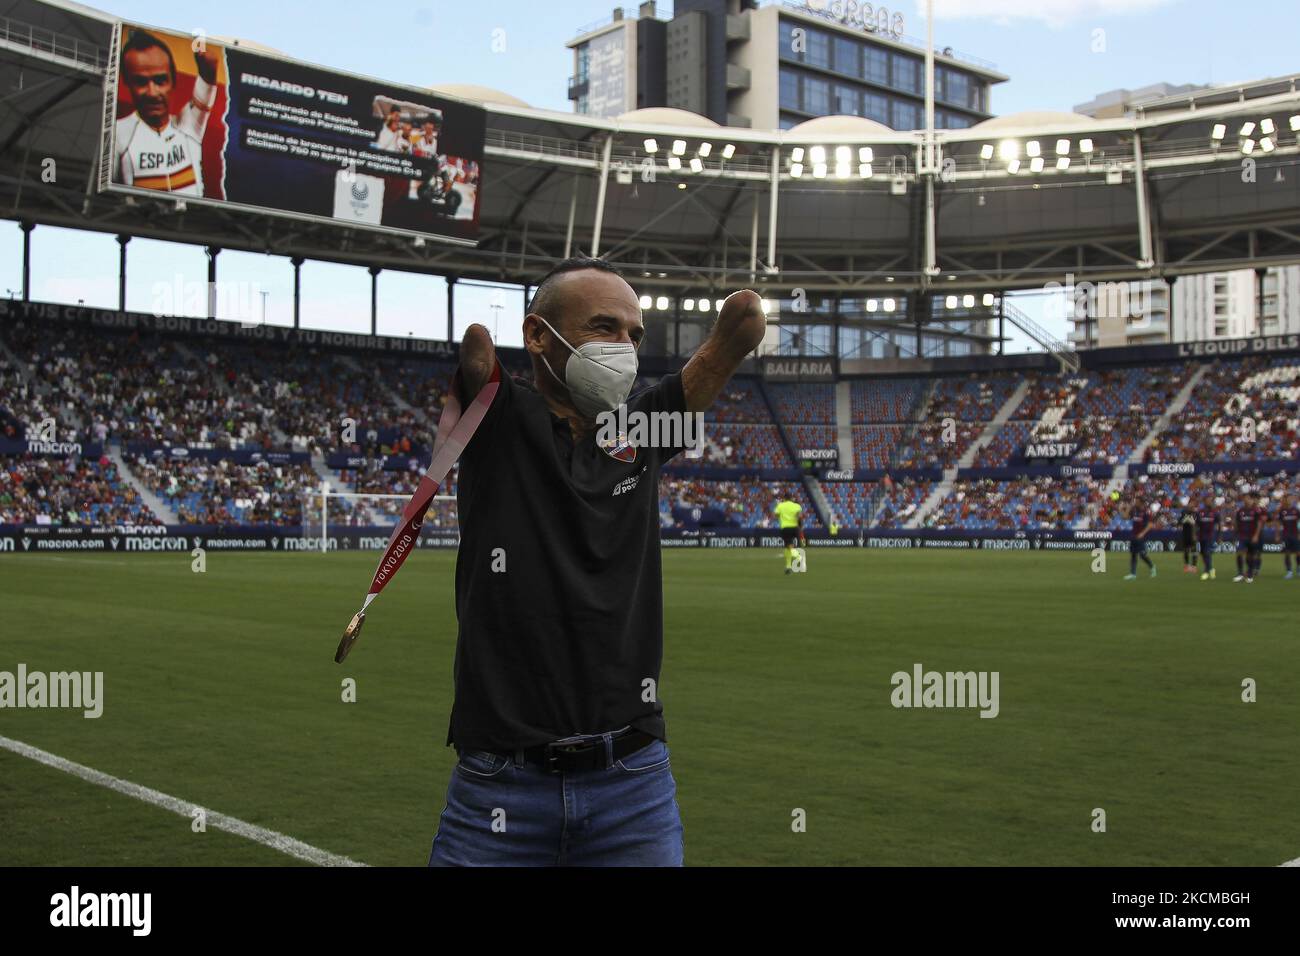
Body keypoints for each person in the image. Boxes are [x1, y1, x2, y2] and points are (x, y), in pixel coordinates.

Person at [427, 257, 765, 866]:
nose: (625, 348)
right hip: (501, 783)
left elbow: (732, 336)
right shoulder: (501, 422)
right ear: (538, 335)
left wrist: (735, 328)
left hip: (631, 780)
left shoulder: (639, 430)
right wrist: (477, 367)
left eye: (635, 335)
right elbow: (480, 363)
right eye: (604, 327)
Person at [114, 30, 219, 195]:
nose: (152, 92)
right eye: (141, 82)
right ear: (127, 82)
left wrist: (198, 40)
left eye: (160, 80)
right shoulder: (118, 133)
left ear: (173, 80)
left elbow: (209, 65)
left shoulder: (189, 123)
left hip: (193, 215)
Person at [1233, 490, 1267, 583]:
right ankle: (1240, 573)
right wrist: (1236, 533)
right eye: (1245, 498)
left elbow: (1260, 522)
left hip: (1252, 536)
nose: (1246, 500)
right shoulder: (1240, 510)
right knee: (1239, 552)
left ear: (1252, 500)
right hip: (1242, 536)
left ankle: (1250, 573)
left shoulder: (1257, 510)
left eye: (1249, 498)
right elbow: (1236, 522)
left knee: (1251, 555)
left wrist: (1256, 535)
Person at [1123, 497, 1156, 581]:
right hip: (1133, 535)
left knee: (1142, 555)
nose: (1135, 503)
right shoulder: (1134, 511)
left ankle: (1152, 567)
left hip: (1141, 536)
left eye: (1137, 502)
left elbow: (1150, 525)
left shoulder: (1146, 512)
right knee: (1133, 555)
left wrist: (1142, 533)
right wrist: (1128, 508)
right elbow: (1125, 517)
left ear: (1141, 503)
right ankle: (1133, 574)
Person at [774, 497, 804, 575]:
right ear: (791, 498)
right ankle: (788, 567)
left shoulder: (780, 505)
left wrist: (781, 517)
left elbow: (776, 515)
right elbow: (800, 516)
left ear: (784, 498)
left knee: (789, 546)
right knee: (788, 547)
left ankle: (798, 557)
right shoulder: (796, 506)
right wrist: (800, 526)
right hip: (795, 528)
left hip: (785, 528)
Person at [1197, 499, 1220, 581]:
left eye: (1210, 501)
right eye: (1207, 501)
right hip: (1201, 535)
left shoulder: (1215, 513)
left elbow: (1219, 524)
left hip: (1210, 535)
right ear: (1205, 502)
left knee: (1207, 552)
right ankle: (1209, 568)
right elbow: (1196, 524)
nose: (1208, 502)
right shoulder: (1200, 512)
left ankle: (1208, 570)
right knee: (1203, 553)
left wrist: (1219, 536)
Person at [1277, 493, 1300, 579]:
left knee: (1298, 553)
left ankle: (1298, 569)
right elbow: (1279, 523)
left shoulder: (1296, 510)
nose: (1289, 500)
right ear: (1285, 500)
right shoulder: (1282, 511)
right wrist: (1277, 535)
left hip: (1295, 534)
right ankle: (1289, 571)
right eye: (1287, 499)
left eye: (1290, 498)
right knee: (1287, 553)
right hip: (1286, 535)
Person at [1177, 496, 1198, 573]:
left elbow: (1197, 523)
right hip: (1186, 534)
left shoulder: (1196, 513)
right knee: (1186, 550)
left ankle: (1194, 566)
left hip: (1193, 534)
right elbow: (1179, 522)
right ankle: (1186, 566)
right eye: (1190, 503)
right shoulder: (1184, 512)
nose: (1192, 504)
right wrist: (1185, 520)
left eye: (1193, 503)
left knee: (1194, 550)